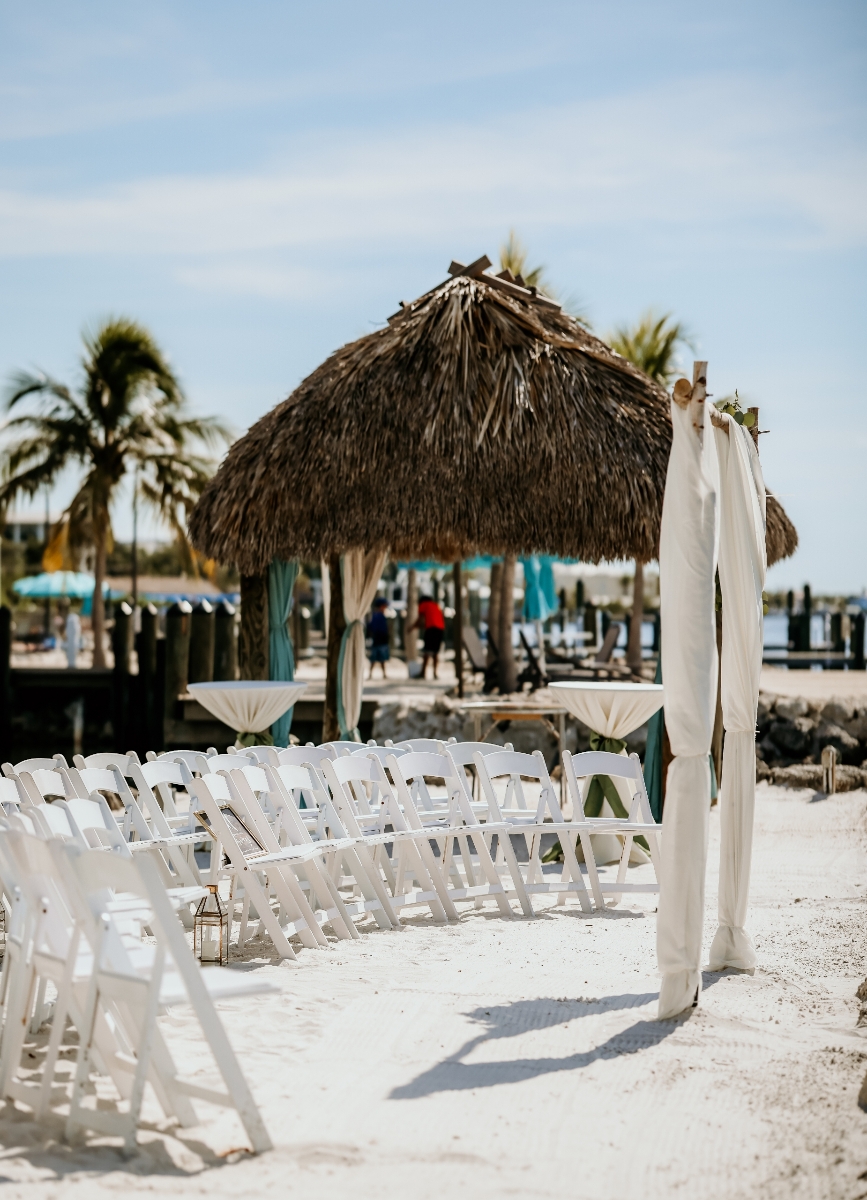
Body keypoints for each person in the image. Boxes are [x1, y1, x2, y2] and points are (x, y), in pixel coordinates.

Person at [407, 593, 445, 680]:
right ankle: (435, 673)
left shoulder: (424, 605)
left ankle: (423, 672)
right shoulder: (436, 605)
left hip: (431, 629)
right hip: (440, 629)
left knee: (427, 651)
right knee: (435, 652)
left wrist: (411, 628)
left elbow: (420, 619)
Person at [366, 596, 390, 678]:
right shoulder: (377, 616)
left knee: (380, 658)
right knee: (376, 657)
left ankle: (382, 673)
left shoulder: (379, 616)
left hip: (380, 639)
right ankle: (372, 673)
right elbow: (373, 628)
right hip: (379, 638)